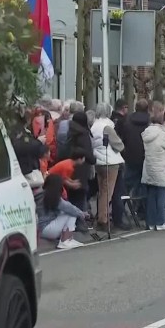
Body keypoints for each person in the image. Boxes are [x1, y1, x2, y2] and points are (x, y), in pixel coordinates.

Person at [141, 103, 165, 231]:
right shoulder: (162, 134)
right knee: (161, 196)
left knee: (151, 196)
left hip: (149, 168)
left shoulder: (147, 133)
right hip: (161, 168)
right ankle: (160, 221)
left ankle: (151, 222)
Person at [90, 103, 125, 232]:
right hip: (110, 161)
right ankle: (103, 220)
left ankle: (101, 216)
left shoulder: (94, 125)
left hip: (98, 161)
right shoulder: (107, 126)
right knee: (107, 192)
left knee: (102, 191)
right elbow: (118, 144)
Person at [35, 174, 90, 250]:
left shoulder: (39, 194)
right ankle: (65, 240)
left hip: (39, 228)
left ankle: (69, 239)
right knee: (70, 213)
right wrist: (82, 214)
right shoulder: (55, 198)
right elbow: (70, 208)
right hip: (47, 229)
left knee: (64, 212)